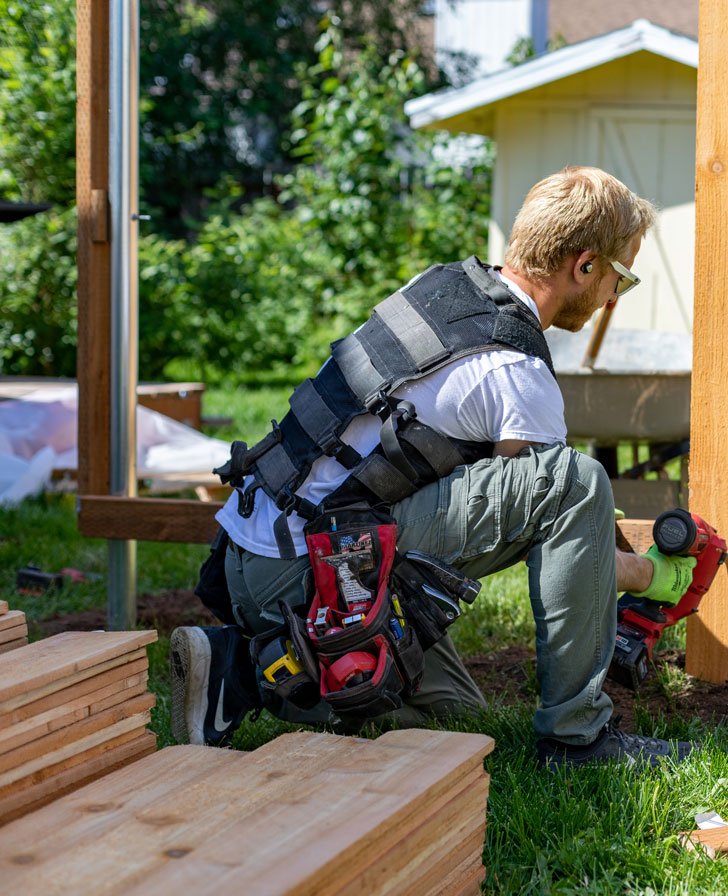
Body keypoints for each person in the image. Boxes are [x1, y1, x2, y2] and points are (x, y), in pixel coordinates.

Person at [169, 166, 698, 769]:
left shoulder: (443, 286)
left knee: (454, 723)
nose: (613, 298)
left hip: (250, 553)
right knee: (574, 481)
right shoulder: (515, 372)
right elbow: (544, 512)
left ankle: (237, 672)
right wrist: (654, 578)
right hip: (307, 569)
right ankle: (579, 739)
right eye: (620, 278)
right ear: (584, 266)